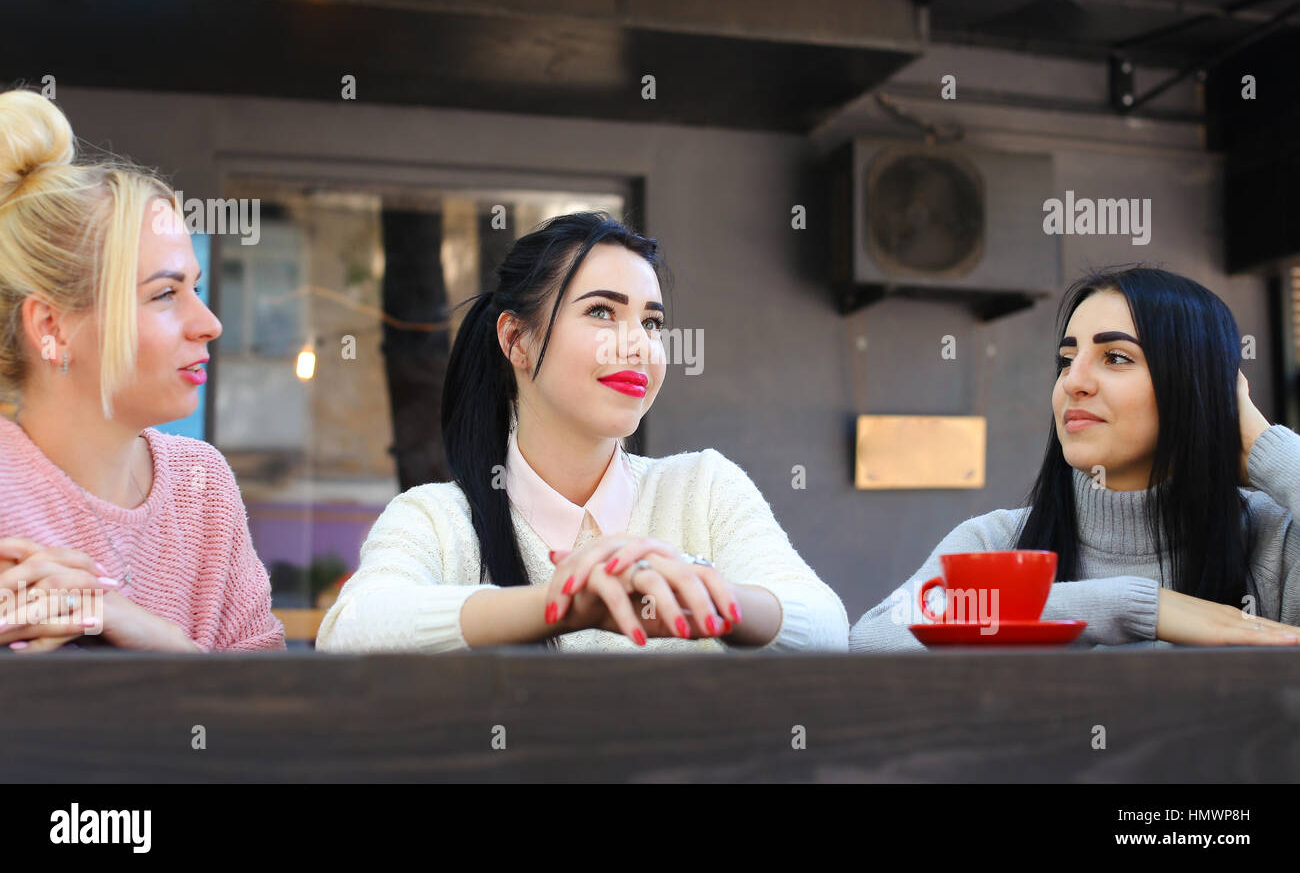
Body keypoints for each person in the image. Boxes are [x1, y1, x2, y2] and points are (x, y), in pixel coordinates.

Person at [316, 211, 847, 652]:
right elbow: (351, 631)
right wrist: (565, 604)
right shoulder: (436, 519)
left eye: (652, 322)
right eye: (601, 311)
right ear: (516, 340)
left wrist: (700, 591)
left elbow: (826, 625)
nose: (637, 345)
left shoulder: (703, 488)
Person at [851, 264, 1300, 650]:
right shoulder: (997, 543)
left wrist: (1262, 445)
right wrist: (1125, 606)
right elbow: (872, 641)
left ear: (1195, 384)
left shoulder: (1275, 542)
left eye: (1116, 357)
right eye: (1067, 360)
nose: (1073, 382)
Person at [0, 89, 285, 653]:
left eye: (195, 287)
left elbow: (270, 701)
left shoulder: (202, 486)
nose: (210, 324)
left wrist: (162, 642)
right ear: (52, 326)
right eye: (164, 294)